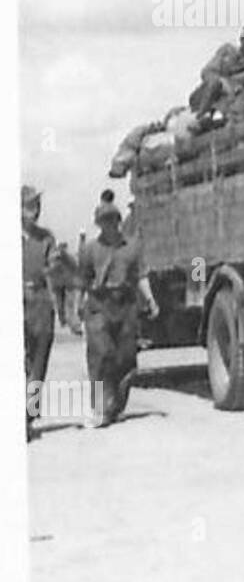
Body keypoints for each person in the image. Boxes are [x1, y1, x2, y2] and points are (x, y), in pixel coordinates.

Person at [78, 196, 159, 428]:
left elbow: (141, 276)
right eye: (104, 220)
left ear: (119, 221)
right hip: (99, 305)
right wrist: (75, 311)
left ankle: (116, 406)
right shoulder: (89, 250)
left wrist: (151, 300)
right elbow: (82, 282)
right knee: (101, 356)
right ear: (98, 223)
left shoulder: (132, 247)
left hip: (125, 306)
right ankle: (100, 409)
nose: (109, 224)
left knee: (126, 358)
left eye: (113, 219)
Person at [22, 185, 58, 440]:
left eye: (36, 206)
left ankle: (29, 415)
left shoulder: (47, 238)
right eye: (28, 206)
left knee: (38, 363)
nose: (34, 212)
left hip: (40, 301)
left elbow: (54, 270)